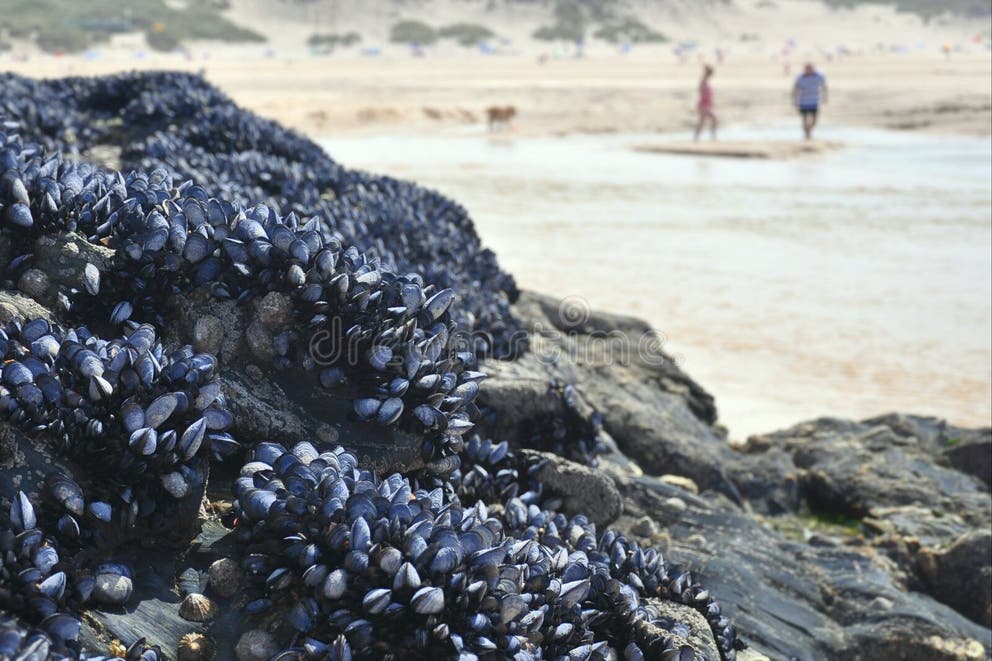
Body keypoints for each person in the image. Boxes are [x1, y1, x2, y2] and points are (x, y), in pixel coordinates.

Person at [793, 63, 827, 140]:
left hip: (814, 101)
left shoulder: (819, 76)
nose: (808, 70)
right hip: (803, 101)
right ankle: (807, 135)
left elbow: (824, 86)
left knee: (815, 119)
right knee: (804, 119)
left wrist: (825, 97)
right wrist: (794, 100)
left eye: (810, 68)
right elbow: (795, 88)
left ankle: (809, 131)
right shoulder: (800, 77)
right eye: (807, 68)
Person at [694, 65, 717, 141]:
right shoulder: (703, 81)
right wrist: (707, 99)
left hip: (706, 104)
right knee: (712, 119)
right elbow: (701, 91)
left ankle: (697, 138)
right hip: (703, 104)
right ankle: (712, 137)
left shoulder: (706, 80)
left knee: (702, 121)